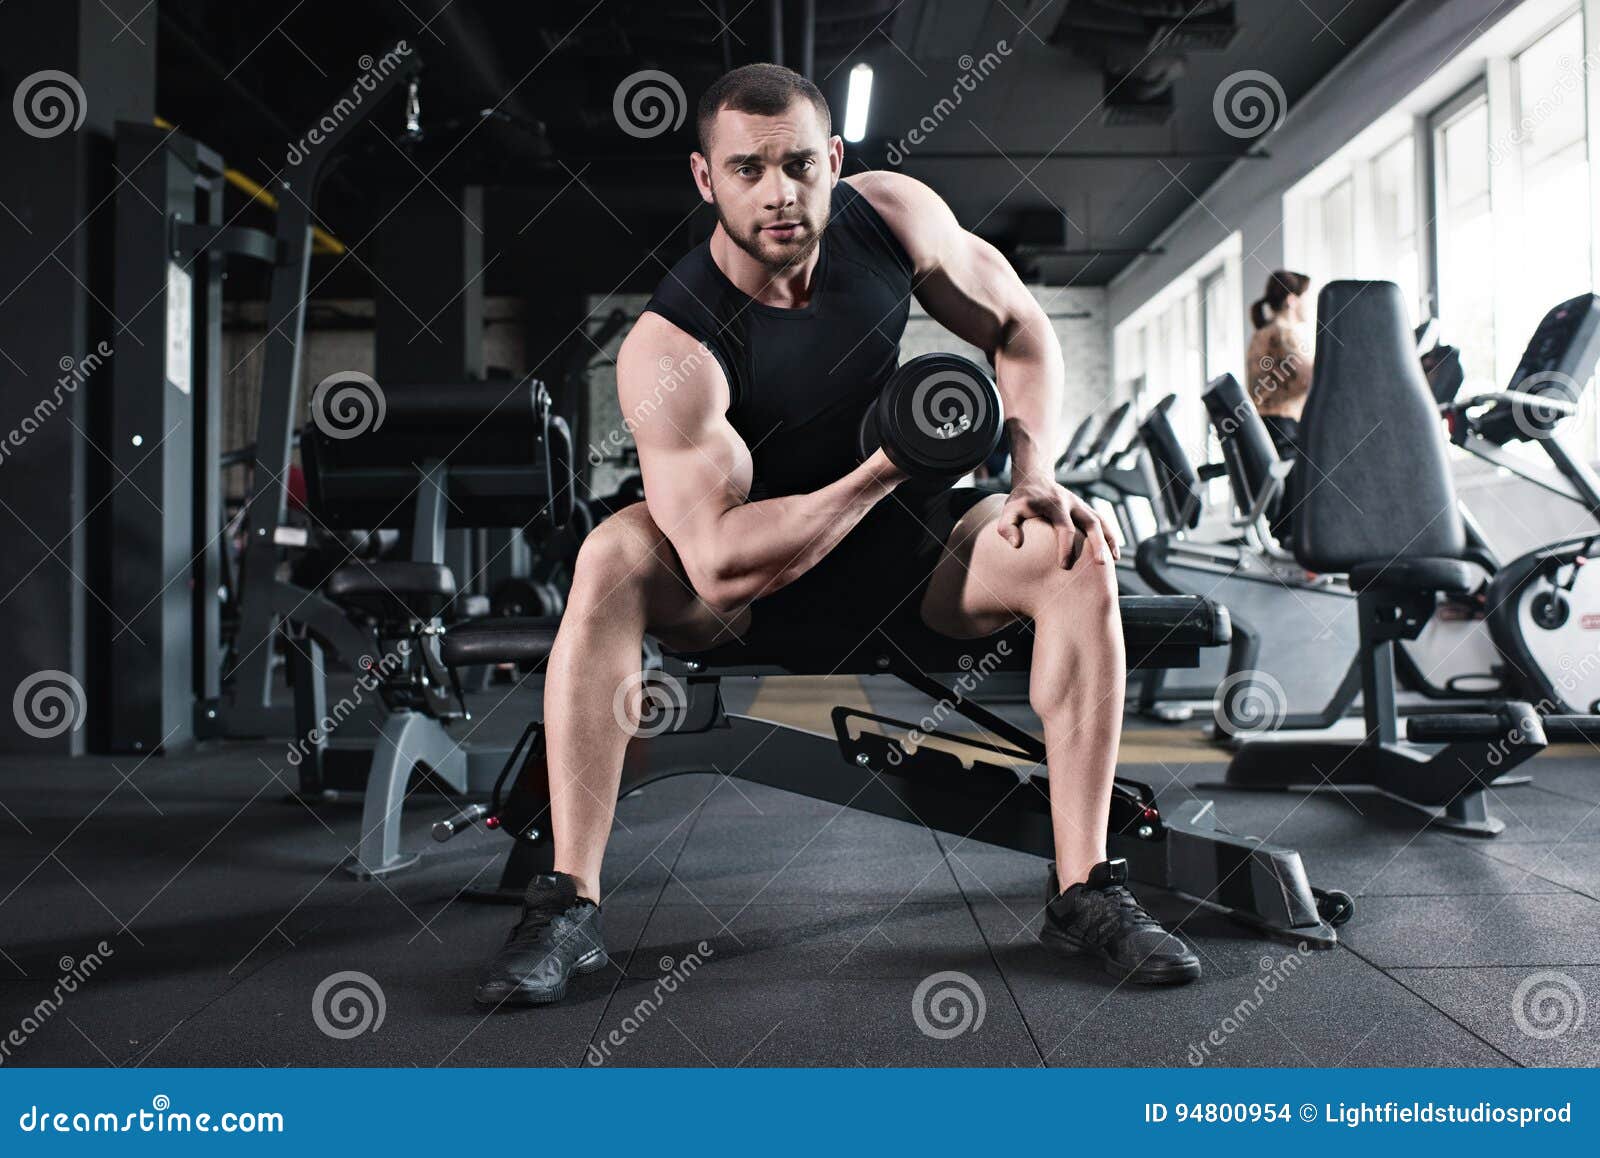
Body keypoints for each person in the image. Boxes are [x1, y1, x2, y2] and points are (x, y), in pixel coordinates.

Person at [474, 64, 1201, 1008]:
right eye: (747, 171)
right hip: (747, 601)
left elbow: (1021, 325)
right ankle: (568, 904)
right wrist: (884, 467)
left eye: (799, 165)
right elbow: (723, 566)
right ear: (705, 180)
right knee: (613, 551)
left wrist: (1034, 474)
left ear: (835, 160)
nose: (779, 193)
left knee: (1073, 551)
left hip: (913, 571)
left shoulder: (890, 218)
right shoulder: (674, 344)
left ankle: (1085, 889)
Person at [1245, 270, 1315, 461]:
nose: (1309, 304)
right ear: (1292, 300)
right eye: (1306, 298)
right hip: (1284, 430)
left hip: (1267, 428)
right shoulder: (1283, 333)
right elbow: (1312, 378)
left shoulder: (1262, 332)